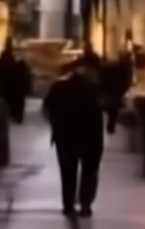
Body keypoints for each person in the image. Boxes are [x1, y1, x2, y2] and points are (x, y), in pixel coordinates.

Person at [43, 60, 104, 218]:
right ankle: (85, 205)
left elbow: (47, 108)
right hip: (90, 137)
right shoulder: (92, 89)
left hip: (65, 136)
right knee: (89, 171)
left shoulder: (59, 87)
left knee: (67, 172)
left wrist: (55, 124)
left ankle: (68, 205)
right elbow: (99, 114)